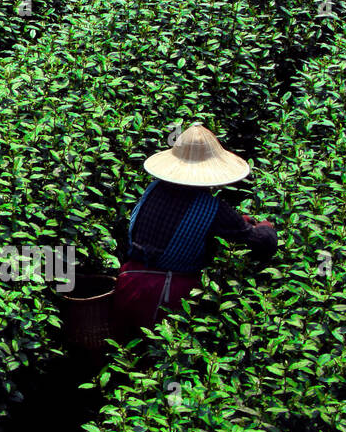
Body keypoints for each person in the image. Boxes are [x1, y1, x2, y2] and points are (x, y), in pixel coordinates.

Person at [110, 124, 278, 340]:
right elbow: (263, 244)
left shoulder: (153, 190)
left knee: (127, 354)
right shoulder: (212, 208)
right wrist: (266, 227)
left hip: (127, 284)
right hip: (166, 296)